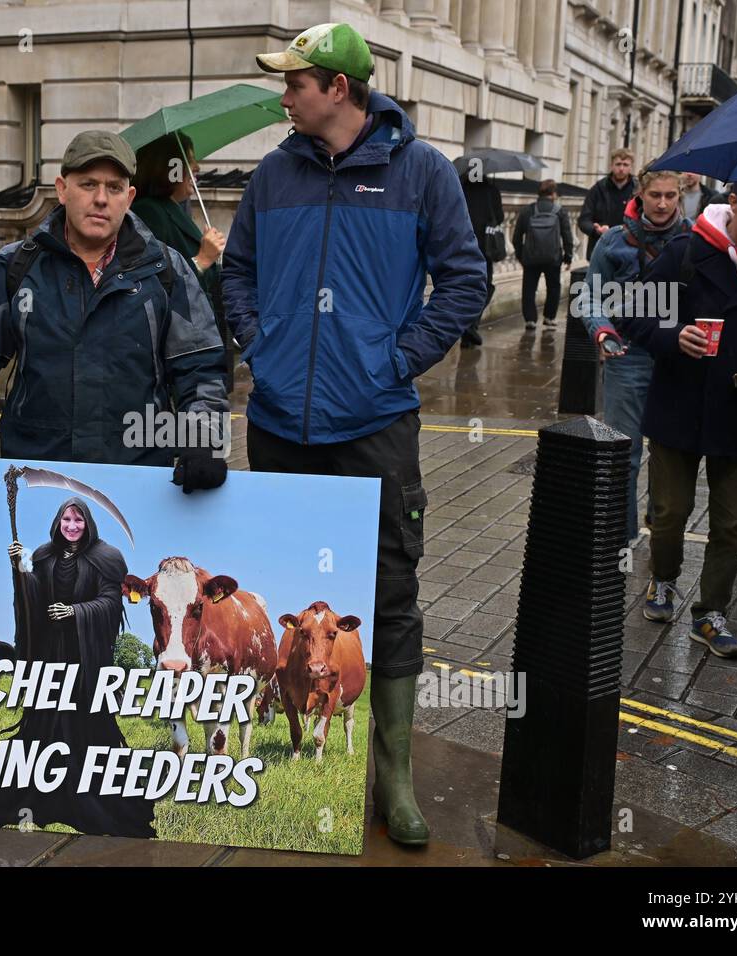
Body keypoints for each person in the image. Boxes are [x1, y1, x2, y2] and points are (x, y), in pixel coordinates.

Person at [222, 22, 488, 846]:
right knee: (291, 591)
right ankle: (288, 744)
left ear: (338, 89)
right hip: (278, 426)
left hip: (373, 425)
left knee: (390, 595)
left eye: (295, 83)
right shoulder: (274, 173)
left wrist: (395, 360)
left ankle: (394, 777)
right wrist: (257, 341)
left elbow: (466, 278)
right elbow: (238, 269)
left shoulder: (422, 172)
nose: (283, 96)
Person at [0, 131, 229, 490]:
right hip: (36, 473)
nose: (101, 199)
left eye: (114, 188)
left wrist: (203, 441)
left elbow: (199, 367)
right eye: (88, 184)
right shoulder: (14, 267)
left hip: (136, 477)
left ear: (129, 197)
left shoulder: (166, 270)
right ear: (62, 189)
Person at [623, 179, 737, 658]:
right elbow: (631, 316)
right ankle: (662, 581)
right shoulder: (685, 251)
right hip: (678, 408)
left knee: (730, 524)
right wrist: (672, 335)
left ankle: (712, 613)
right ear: (735, 203)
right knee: (670, 513)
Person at [0, 497, 157, 836]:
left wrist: (76, 612)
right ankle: (35, 795)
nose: (71, 525)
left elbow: (111, 603)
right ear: (58, 521)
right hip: (49, 654)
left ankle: (94, 801)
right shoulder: (43, 555)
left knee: (88, 725)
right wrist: (21, 570)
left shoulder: (107, 557)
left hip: (85, 657)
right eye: (66, 519)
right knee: (43, 723)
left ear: (88, 524)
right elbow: (33, 601)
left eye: (78, 520)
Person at [578, 167, 690, 546]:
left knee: (670, 453)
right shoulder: (612, 241)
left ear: (681, 195)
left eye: (670, 196)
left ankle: (661, 530)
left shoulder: (696, 239)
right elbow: (590, 297)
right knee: (623, 453)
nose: (662, 203)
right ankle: (621, 540)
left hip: (677, 357)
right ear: (640, 195)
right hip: (627, 354)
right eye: (655, 195)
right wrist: (601, 330)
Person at [131, 132, 232, 391]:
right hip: (179, 350)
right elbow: (157, 283)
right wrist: (201, 259)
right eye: (188, 162)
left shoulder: (173, 208)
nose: (196, 168)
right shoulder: (150, 212)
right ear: (168, 168)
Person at [513, 178, 573, 329]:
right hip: (553, 258)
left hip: (531, 257)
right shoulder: (559, 211)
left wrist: (521, 256)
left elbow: (516, 237)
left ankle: (530, 320)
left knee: (529, 288)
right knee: (553, 287)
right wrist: (568, 256)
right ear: (553, 194)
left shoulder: (528, 210)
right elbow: (567, 236)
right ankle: (549, 317)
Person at [458, 170, 504, 347]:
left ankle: (468, 328)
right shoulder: (491, 190)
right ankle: (470, 325)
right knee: (485, 287)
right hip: (485, 248)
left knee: (463, 287)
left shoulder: (461, 187)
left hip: (463, 245)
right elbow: (499, 218)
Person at [578, 148, 636, 259]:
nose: (621, 168)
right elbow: (584, 220)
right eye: (618, 164)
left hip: (627, 251)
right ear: (611, 165)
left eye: (625, 165)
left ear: (631, 167)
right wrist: (596, 230)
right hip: (599, 249)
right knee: (596, 277)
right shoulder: (598, 189)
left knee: (624, 276)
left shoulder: (637, 190)